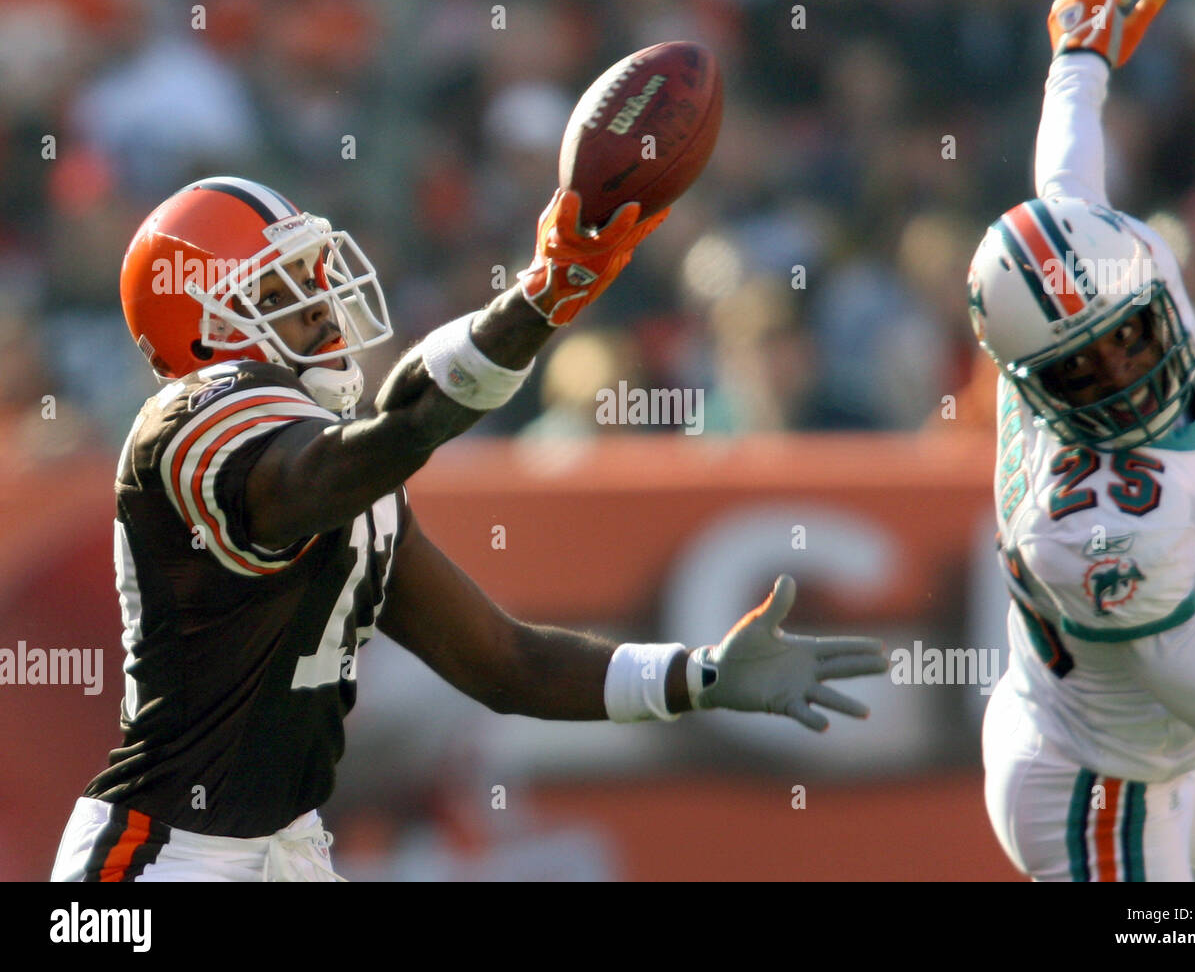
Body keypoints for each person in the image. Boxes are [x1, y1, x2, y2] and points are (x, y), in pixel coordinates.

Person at [51, 177, 888, 882]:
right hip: (160, 861)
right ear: (205, 333)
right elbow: (384, 438)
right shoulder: (191, 426)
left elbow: (504, 661)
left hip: (286, 850)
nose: (320, 309)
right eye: (278, 293)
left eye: (312, 276)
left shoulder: (352, 474)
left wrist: (698, 675)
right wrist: (539, 297)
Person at [970, 0, 1195, 881]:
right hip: (1097, 788)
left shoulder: (1114, 267)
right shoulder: (1095, 533)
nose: (1123, 373)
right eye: (1082, 369)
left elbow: (1066, 186)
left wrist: (1078, 61)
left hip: (1165, 740)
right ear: (1033, 377)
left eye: (1127, 338)